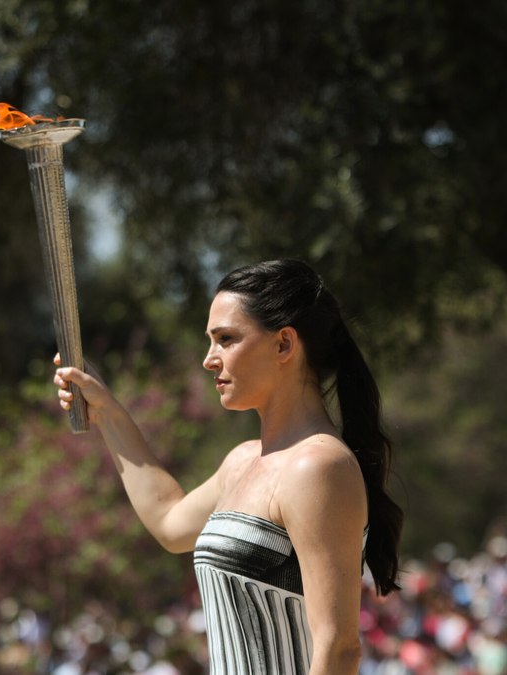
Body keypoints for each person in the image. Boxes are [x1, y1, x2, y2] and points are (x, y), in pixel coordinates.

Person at [53, 259, 403, 675]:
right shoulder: (241, 461)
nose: (209, 359)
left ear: (284, 344)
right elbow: (169, 521)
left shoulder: (317, 466)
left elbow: (339, 648)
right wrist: (106, 411)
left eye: (225, 339)